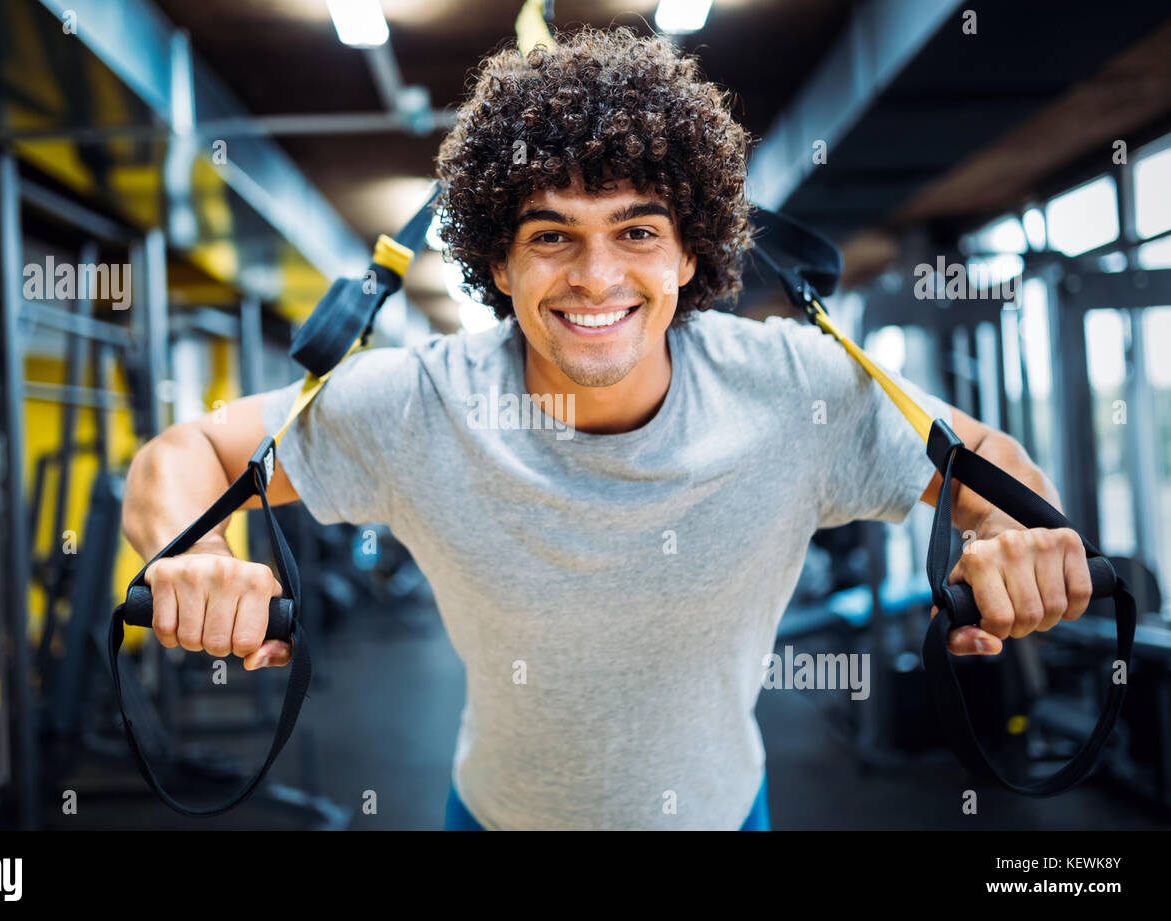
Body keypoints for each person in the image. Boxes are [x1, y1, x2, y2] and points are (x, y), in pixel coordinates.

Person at [120, 26, 1096, 831]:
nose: (595, 278)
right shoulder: (414, 401)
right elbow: (188, 451)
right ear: (497, 266)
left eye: (636, 232)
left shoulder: (800, 391)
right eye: (551, 236)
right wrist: (194, 556)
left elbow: (990, 466)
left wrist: (1011, 545)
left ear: (689, 257)